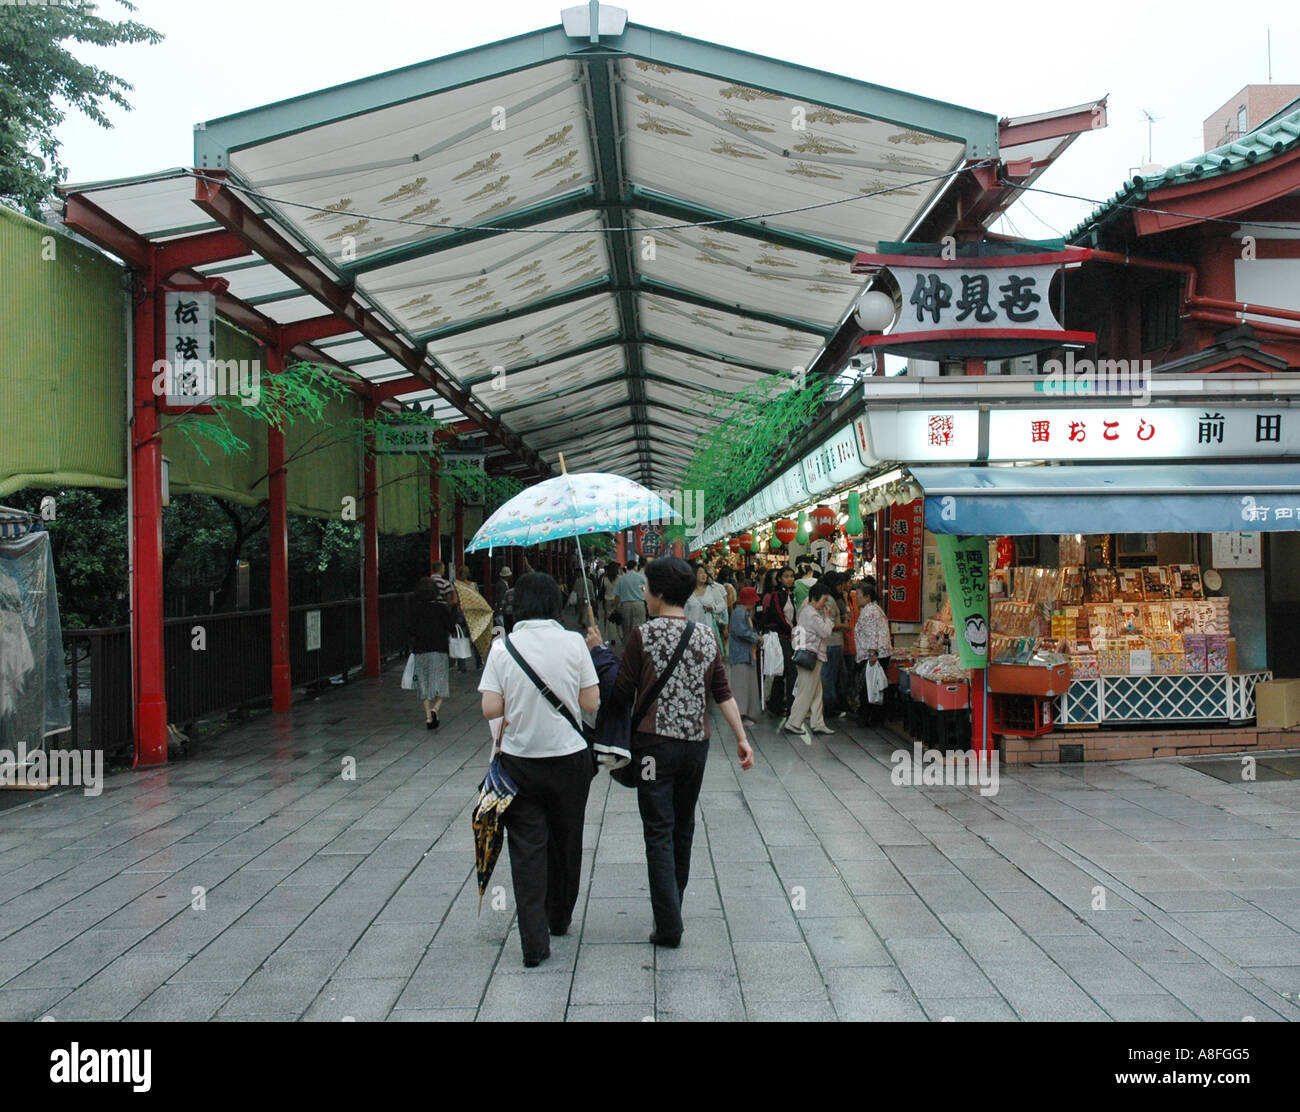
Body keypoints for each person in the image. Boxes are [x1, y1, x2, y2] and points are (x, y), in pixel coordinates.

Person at [609, 556, 754, 948]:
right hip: (695, 747)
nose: (644, 593)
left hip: (653, 749)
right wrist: (741, 737)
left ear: (657, 593)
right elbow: (721, 692)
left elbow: (622, 694)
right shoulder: (706, 636)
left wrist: (599, 658)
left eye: (647, 588)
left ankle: (668, 922)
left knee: (658, 829)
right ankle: (673, 906)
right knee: (683, 825)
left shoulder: (644, 635)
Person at [478, 573, 600, 968]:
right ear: (555, 604)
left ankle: (534, 942)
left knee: (527, 850)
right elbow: (591, 703)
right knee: (567, 840)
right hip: (569, 760)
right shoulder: (574, 642)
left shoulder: (502, 647)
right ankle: (560, 916)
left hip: (520, 763)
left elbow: (491, 709)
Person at [784, 582, 837, 742]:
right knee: (807, 691)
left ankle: (818, 723)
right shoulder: (811, 614)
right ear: (815, 598)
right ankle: (793, 723)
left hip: (809, 655)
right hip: (810, 657)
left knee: (815, 691)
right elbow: (826, 632)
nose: (825, 604)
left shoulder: (806, 610)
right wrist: (828, 618)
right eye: (823, 600)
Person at [408, 576, 454, 729]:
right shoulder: (441, 609)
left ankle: (428, 716)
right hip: (439, 648)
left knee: (423, 683)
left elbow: (411, 630)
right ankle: (436, 708)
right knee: (441, 681)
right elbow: (450, 626)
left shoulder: (415, 610)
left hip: (421, 649)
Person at [759, 565, 798, 718]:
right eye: (786, 576)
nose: (790, 579)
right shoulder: (777, 595)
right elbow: (779, 615)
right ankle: (786, 705)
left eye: (792, 576)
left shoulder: (790, 594)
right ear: (780, 579)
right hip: (781, 637)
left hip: (789, 636)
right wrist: (790, 630)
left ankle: (781, 704)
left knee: (784, 672)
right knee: (787, 671)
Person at [854, 581, 894, 727]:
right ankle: (874, 717)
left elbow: (872, 634)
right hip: (878, 653)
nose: (856, 597)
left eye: (858, 595)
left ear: (867, 597)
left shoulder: (870, 611)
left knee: (870, 686)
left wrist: (872, 654)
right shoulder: (872, 609)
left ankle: (869, 717)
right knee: (874, 685)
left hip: (874, 655)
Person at [728, 586, 763, 725]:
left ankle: (745, 714)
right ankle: (740, 715)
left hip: (745, 654)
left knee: (745, 685)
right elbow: (741, 632)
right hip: (741, 655)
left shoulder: (742, 612)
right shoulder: (739, 613)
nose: (755, 604)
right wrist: (756, 638)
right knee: (741, 687)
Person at [820, 573, 851, 719]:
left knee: (835, 675)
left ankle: (834, 705)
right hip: (832, 643)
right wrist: (845, 625)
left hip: (834, 643)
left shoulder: (830, 599)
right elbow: (830, 624)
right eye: (839, 584)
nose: (842, 587)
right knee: (830, 676)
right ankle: (830, 707)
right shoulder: (830, 600)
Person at [683, 562, 727, 654]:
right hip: (692, 632)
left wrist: (713, 608)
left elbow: (723, 604)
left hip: (708, 630)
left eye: (705, 573)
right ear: (694, 575)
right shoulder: (688, 591)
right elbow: (684, 611)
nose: (704, 575)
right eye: (700, 573)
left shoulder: (712, 589)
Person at [615, 558, 647, 637]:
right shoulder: (641, 578)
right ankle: (637, 646)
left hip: (625, 605)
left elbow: (617, 595)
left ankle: (627, 646)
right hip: (639, 604)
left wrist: (617, 608)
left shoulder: (622, 579)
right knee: (638, 628)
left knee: (626, 628)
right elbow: (645, 590)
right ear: (635, 567)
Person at [601, 563, 622, 643]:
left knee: (610, 621)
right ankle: (621, 635)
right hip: (618, 600)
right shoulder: (620, 578)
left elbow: (602, 591)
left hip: (607, 601)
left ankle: (612, 638)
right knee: (618, 619)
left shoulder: (604, 579)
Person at [494, 565, 515, 631]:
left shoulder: (502, 583)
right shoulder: (502, 585)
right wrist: (500, 609)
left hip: (502, 610)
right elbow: (500, 598)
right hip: (502, 611)